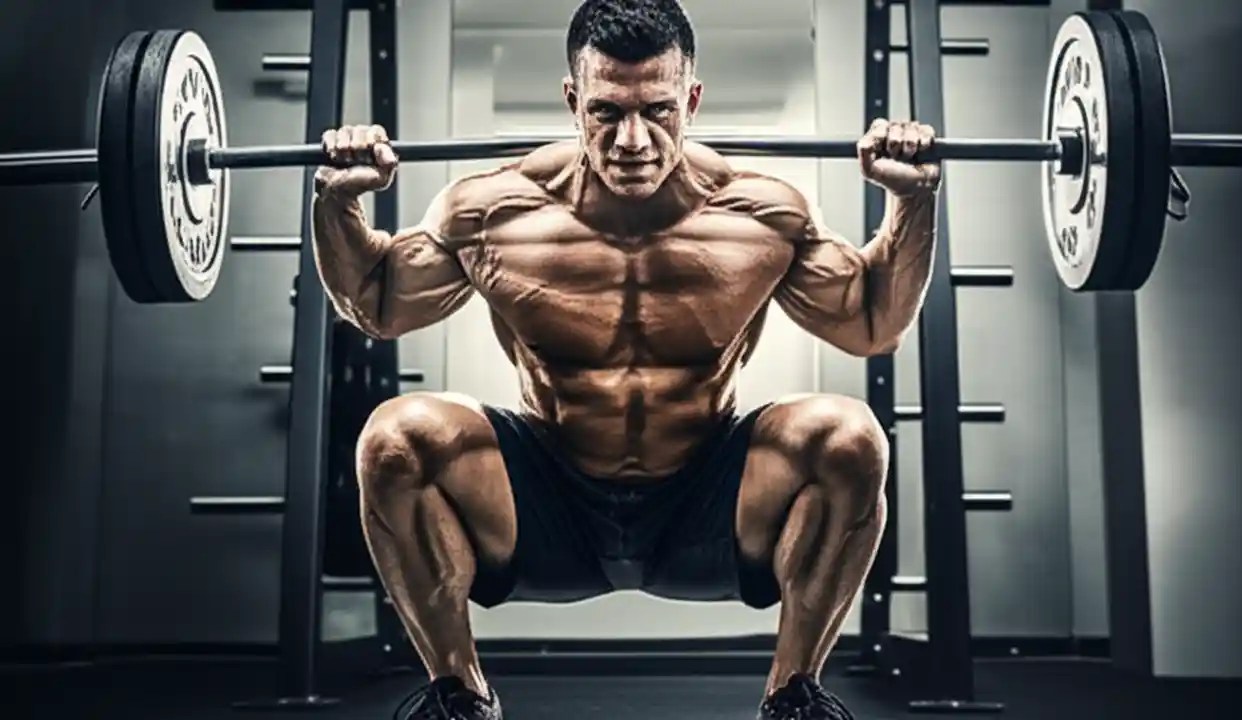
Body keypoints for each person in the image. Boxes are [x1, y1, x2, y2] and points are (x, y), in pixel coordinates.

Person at [312, 1, 939, 717]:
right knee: (394, 438)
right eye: (606, 112)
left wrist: (910, 204)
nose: (633, 140)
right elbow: (378, 303)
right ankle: (460, 695)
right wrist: (339, 204)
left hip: (706, 503)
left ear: (692, 100)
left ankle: (792, 697)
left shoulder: (760, 212)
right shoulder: (493, 209)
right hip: (546, 504)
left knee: (850, 437)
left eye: (658, 110)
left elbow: (871, 324)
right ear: (572, 100)